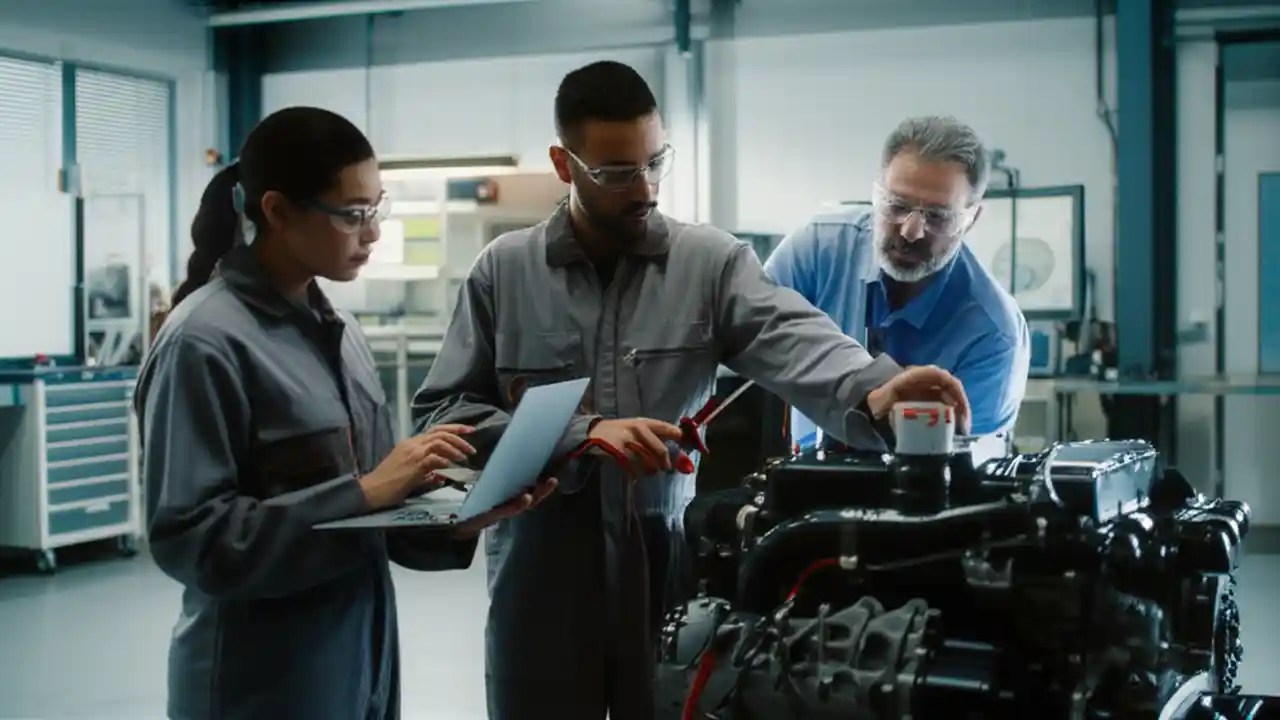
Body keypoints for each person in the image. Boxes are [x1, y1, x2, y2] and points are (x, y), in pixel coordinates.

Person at [411, 61, 970, 720]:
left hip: (666, 567)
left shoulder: (710, 264)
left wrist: (875, 387)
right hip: (541, 579)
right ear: (566, 165)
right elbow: (445, 414)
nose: (645, 188)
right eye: (618, 173)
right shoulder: (503, 274)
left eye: (656, 163)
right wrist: (580, 434)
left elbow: (793, 335)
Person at [134, 107, 556, 720]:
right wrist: (365, 490)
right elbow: (194, 542)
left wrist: (459, 520)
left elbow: (371, 521)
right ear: (277, 211)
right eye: (354, 215)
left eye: (377, 209)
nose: (373, 233)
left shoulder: (342, 334)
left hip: (361, 663)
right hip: (260, 681)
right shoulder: (204, 343)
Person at [765, 116, 1030, 450]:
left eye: (937, 216)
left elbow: (966, 474)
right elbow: (747, 346)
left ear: (971, 219)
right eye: (897, 206)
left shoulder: (994, 334)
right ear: (876, 195)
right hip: (795, 479)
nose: (910, 231)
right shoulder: (816, 251)